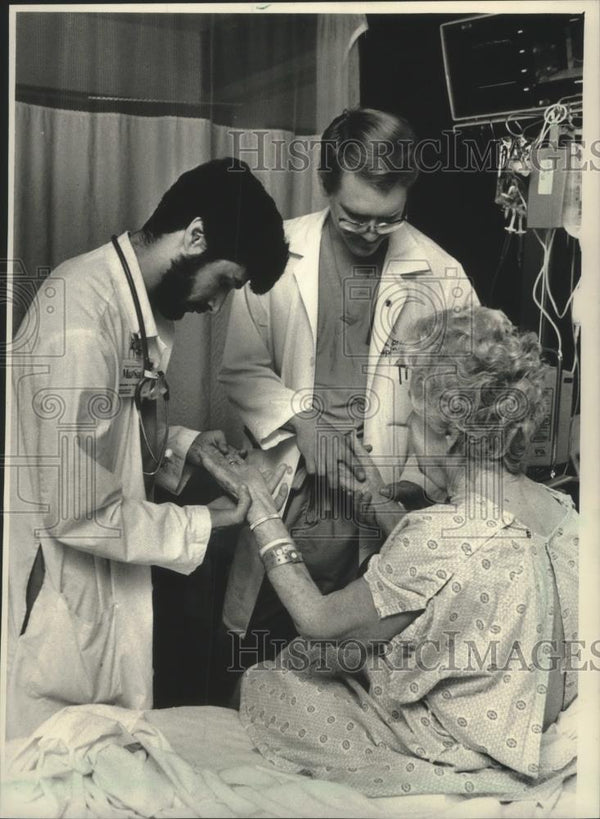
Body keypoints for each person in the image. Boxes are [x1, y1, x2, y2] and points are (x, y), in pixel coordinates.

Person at [204, 306, 578, 797]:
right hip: (523, 719)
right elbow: (468, 563)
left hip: (456, 743)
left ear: (449, 433)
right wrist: (376, 501)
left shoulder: (440, 534)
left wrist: (260, 507)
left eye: (415, 423)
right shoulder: (566, 513)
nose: (409, 435)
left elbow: (317, 617)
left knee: (283, 673)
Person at [5, 158, 289, 739]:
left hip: (97, 593)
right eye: (226, 283)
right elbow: (78, 510)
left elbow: (105, 437)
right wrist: (202, 524)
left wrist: (185, 447)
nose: (215, 306)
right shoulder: (83, 326)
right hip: (64, 608)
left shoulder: (128, 302)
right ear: (195, 236)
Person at [219, 108, 478, 657]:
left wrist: (408, 490)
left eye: (388, 219)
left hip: (385, 504)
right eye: (354, 216)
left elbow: (461, 403)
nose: (370, 233)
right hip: (291, 493)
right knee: (262, 653)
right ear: (326, 184)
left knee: (361, 672)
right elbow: (240, 369)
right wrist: (303, 424)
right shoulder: (278, 255)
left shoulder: (443, 274)